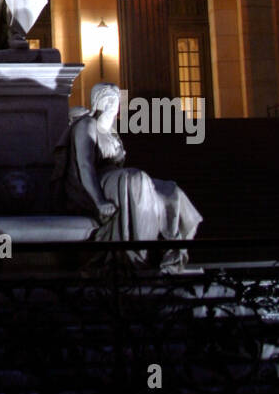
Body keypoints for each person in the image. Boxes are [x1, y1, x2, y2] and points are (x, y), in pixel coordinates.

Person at [51, 82, 203, 269]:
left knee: (170, 191)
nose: (113, 105)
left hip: (116, 179)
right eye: (109, 100)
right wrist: (99, 201)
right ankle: (138, 256)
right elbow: (85, 165)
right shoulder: (87, 125)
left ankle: (172, 253)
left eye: (115, 101)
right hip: (97, 182)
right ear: (99, 102)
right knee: (135, 179)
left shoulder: (112, 132)